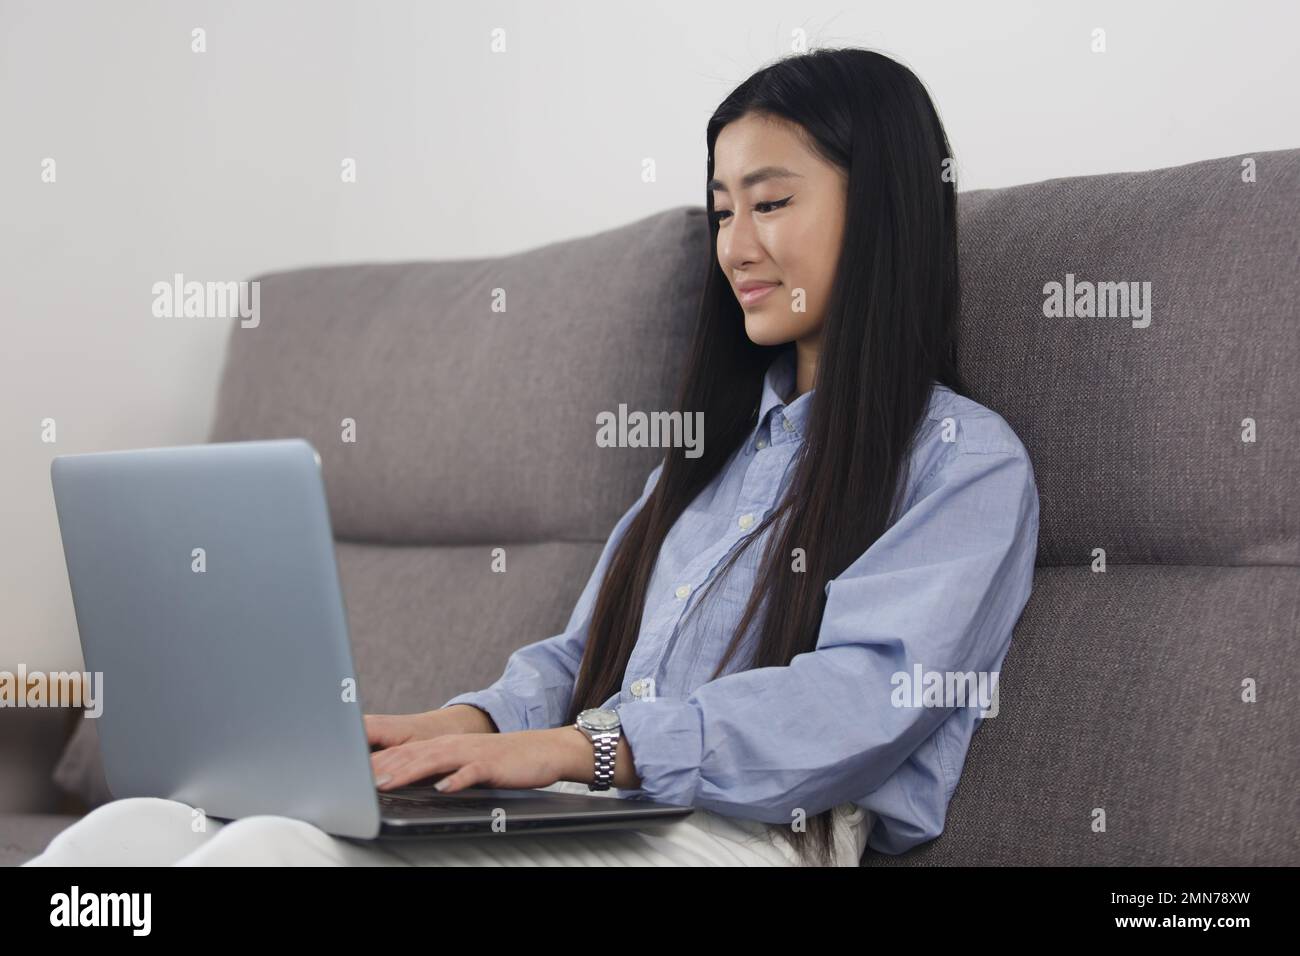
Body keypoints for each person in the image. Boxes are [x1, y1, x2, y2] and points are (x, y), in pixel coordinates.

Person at [25, 46, 1038, 868]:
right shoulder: (706, 460)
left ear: (885, 209)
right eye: (723, 209)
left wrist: (584, 748)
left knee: (273, 853)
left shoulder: (964, 464)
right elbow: (577, 657)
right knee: (133, 831)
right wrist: (464, 723)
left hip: (749, 835)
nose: (734, 247)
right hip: (602, 809)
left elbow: (863, 699)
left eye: (769, 203)